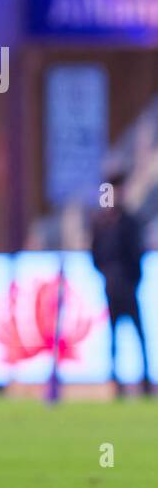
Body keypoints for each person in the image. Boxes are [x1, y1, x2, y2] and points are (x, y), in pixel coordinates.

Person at [91, 170, 153, 397]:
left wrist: (132, 281)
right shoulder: (102, 222)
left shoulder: (128, 221)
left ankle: (145, 383)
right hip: (112, 286)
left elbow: (136, 254)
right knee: (114, 337)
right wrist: (108, 276)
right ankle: (116, 382)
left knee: (139, 336)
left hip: (128, 285)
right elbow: (96, 255)